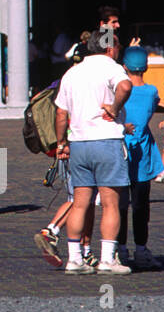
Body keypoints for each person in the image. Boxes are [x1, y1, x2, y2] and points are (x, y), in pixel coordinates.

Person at [53, 33, 133, 274]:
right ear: (109, 48)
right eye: (117, 44)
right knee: (110, 203)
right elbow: (126, 86)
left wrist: (61, 143)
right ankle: (107, 259)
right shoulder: (112, 67)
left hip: (79, 142)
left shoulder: (72, 72)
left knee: (79, 203)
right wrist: (115, 107)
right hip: (106, 140)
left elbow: (60, 114)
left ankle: (74, 259)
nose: (119, 49)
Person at [118, 46, 164, 269]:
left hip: (120, 150)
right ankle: (141, 249)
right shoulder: (151, 91)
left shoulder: (118, 90)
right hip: (143, 153)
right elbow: (151, 108)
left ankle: (120, 249)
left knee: (118, 204)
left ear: (124, 66)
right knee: (140, 204)